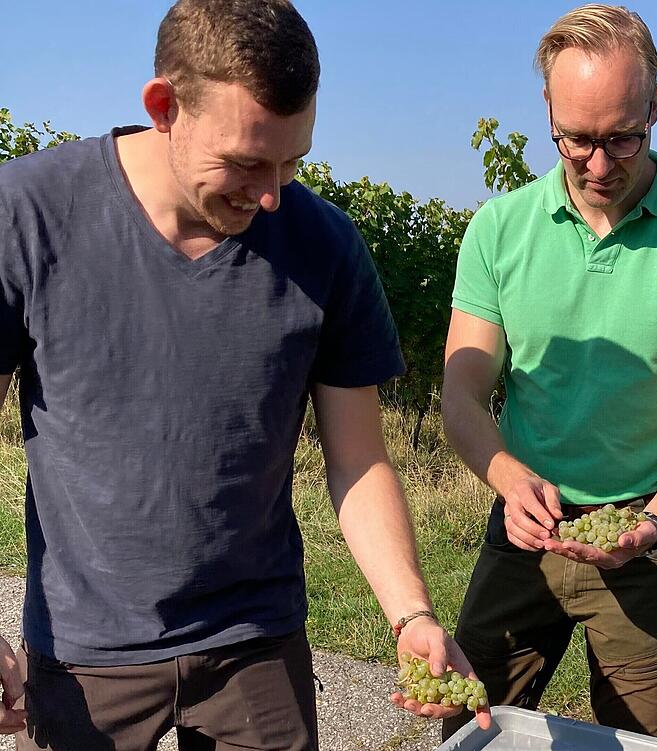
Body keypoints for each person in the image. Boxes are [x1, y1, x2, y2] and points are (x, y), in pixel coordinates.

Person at [0, 1, 488, 748]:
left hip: (255, 642)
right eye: (246, 162)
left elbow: (359, 460)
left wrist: (411, 611)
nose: (269, 195)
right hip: (83, 651)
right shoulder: (29, 213)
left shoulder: (325, 246)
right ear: (165, 108)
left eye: (292, 163)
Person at [439, 3, 657, 741]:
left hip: (644, 536)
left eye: (622, 138)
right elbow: (462, 392)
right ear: (548, 110)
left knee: (637, 739)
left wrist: (652, 524)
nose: (597, 164)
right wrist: (508, 480)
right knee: (469, 724)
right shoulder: (499, 231)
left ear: (655, 107)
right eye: (576, 139)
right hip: (525, 527)